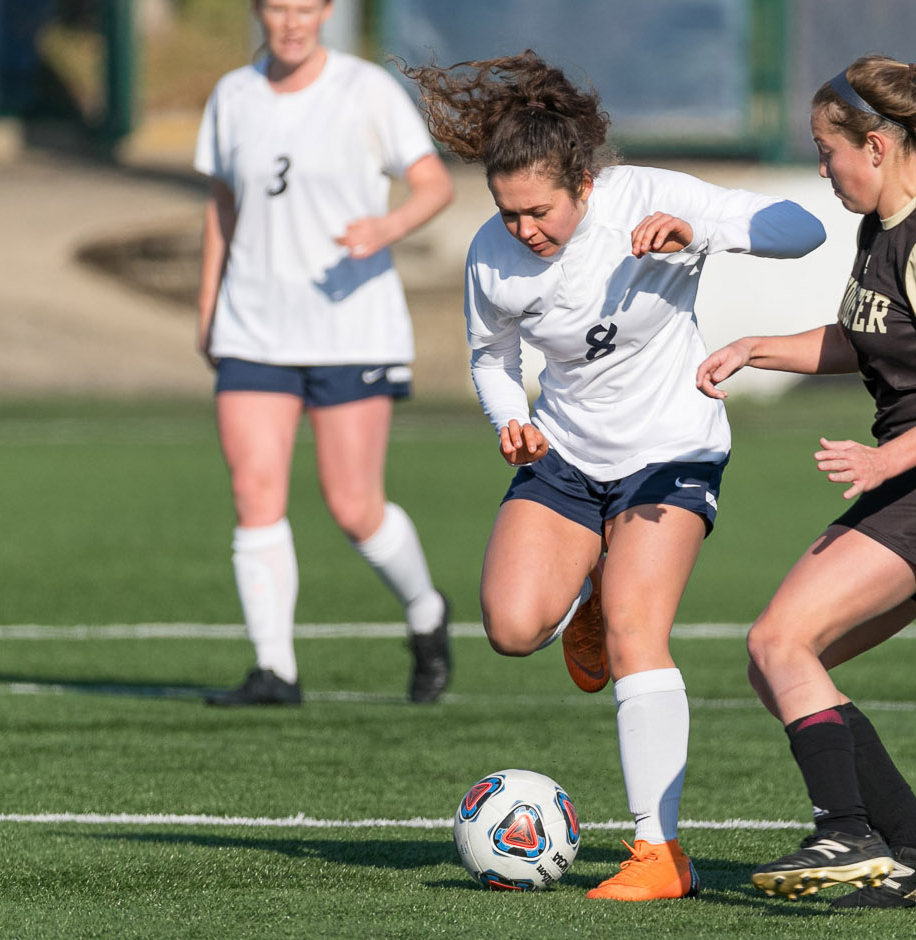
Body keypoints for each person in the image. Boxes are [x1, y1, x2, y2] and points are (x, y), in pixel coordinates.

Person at [401, 50, 825, 901]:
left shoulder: (648, 197)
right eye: (508, 212)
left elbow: (802, 227)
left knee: (637, 635)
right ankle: (589, 593)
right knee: (513, 627)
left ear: (585, 185)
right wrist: (509, 418)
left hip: (671, 449)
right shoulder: (492, 255)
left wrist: (699, 233)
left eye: (539, 211)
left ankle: (658, 854)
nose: (523, 229)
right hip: (565, 453)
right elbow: (491, 357)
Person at [696, 54, 916, 908]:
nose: (822, 169)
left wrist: (883, 461)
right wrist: (757, 348)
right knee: (782, 666)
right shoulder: (882, 226)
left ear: (874, 146)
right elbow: (864, 338)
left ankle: (845, 831)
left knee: (779, 641)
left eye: (826, 151)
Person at [194, 0, 456, 706]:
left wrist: (386, 227)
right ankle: (274, 670)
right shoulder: (233, 95)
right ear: (259, 13)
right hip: (253, 326)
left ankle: (425, 610)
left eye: (306, 8)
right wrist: (208, 303)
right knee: (254, 492)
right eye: (278, 8)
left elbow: (434, 184)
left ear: (327, 13)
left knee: (353, 506)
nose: (291, 22)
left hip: (351, 329)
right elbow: (223, 204)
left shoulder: (365, 89)